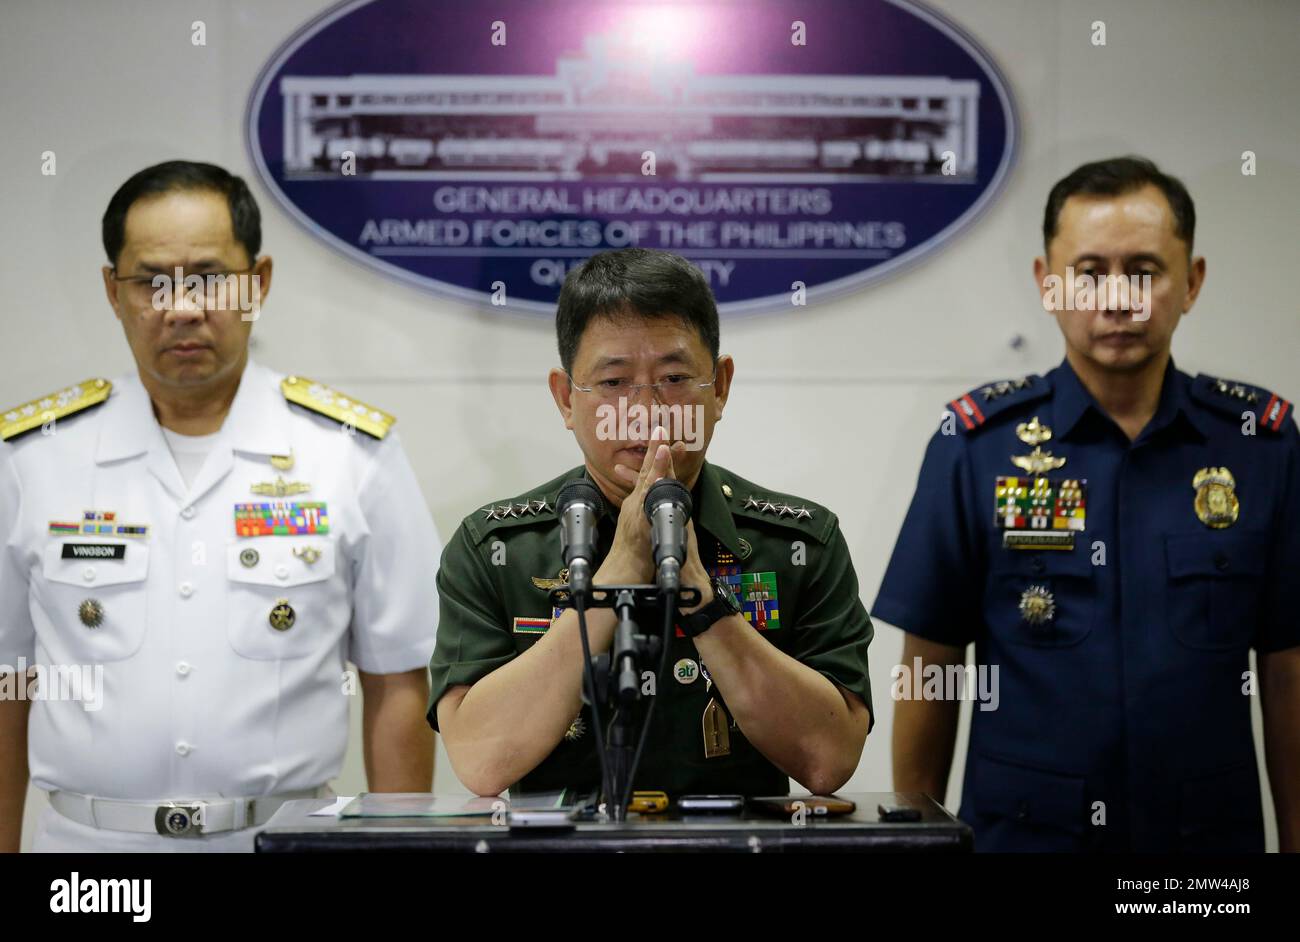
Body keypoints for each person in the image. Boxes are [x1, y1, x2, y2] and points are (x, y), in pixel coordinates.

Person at [0, 160, 441, 851]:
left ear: (257, 284)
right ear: (113, 293)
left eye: (209, 277)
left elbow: (397, 682)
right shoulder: (33, 460)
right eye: (151, 281)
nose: (182, 308)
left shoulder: (350, 456)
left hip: (279, 841)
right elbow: (7, 681)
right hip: (88, 859)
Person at [876, 156, 1299, 852]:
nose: (1118, 298)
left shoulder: (1262, 446)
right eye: (1089, 272)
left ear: (1191, 282)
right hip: (1027, 840)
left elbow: (1287, 673)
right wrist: (918, 845)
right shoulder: (976, 446)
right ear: (1047, 283)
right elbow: (931, 668)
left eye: (1145, 270)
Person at [428, 248, 873, 800]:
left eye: (674, 377)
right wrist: (610, 583)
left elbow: (829, 762)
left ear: (721, 387)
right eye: (613, 383)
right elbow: (480, 761)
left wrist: (704, 603)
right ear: (566, 399)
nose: (646, 411)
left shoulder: (798, 542)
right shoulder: (496, 548)